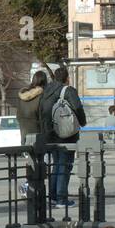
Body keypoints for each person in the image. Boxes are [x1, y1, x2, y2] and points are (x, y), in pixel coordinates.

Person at [39, 65, 86, 207]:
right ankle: (61, 198)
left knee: (56, 165)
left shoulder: (46, 91)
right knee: (64, 166)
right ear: (67, 78)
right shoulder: (67, 90)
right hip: (66, 135)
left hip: (50, 135)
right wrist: (83, 122)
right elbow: (77, 107)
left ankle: (53, 196)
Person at [16, 70, 47, 146]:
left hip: (24, 135)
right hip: (39, 137)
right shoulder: (42, 96)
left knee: (30, 156)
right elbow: (43, 117)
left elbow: (18, 116)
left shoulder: (22, 96)